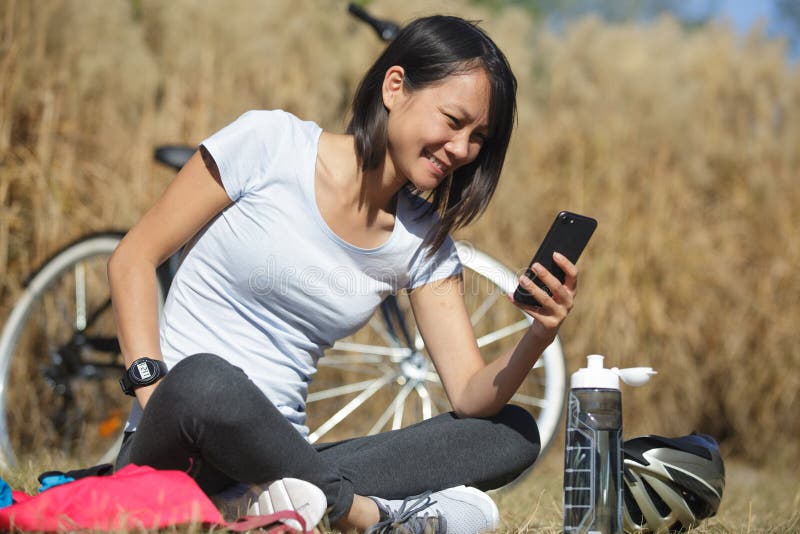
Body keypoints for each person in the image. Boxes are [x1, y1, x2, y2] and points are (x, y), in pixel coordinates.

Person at [108, 14, 578, 534]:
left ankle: (274, 502)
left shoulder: (422, 242)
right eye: (453, 120)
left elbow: (470, 394)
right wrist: (155, 395)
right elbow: (133, 257)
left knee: (510, 433)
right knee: (206, 379)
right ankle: (365, 515)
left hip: (283, 462)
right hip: (179, 435)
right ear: (395, 87)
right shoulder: (271, 144)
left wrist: (540, 333)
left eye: (478, 137)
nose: (463, 149)